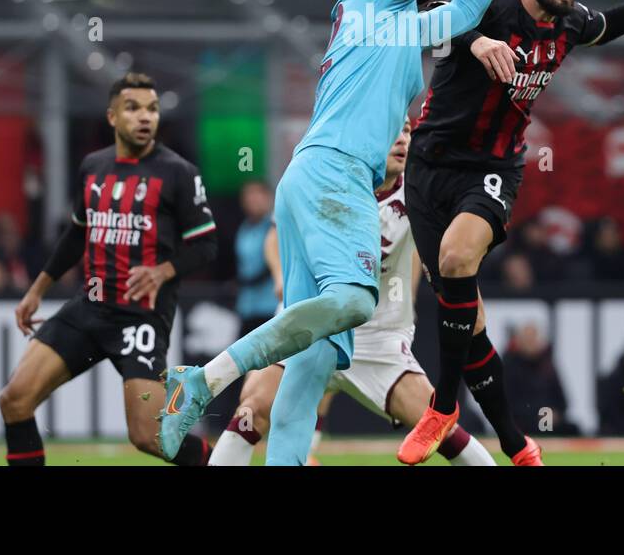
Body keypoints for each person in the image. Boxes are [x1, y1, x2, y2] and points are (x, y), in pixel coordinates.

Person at [158, 0, 549, 466]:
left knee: (310, 365)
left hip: (311, 176)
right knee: (356, 302)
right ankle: (205, 379)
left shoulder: (390, 24)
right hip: (337, 174)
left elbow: (466, 13)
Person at [400, 0, 624, 465]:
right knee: (468, 323)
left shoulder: (571, 23)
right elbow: (425, 4)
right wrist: (475, 40)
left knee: (456, 258)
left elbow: (609, 26)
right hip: (427, 169)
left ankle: (443, 405)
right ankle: (517, 445)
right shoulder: (489, 5)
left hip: (493, 168)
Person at [208, 122, 494, 466]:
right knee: (251, 410)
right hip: (312, 326)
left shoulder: (421, 192)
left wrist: (427, 295)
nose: (402, 140)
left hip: (377, 338)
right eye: (391, 130)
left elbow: (433, 253)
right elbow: (275, 232)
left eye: (406, 131)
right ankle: (304, 450)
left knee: (440, 428)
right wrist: (282, 276)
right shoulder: (326, 178)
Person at [0, 73, 218, 466]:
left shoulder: (179, 172)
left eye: (152, 109)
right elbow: (75, 235)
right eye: (133, 108)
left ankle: (224, 463)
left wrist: (162, 271)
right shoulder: (93, 166)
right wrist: (36, 290)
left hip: (140, 317)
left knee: (150, 437)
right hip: (89, 308)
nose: (145, 117)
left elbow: (206, 246)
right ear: (112, 116)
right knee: (14, 399)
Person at [233, 180, 278, 339]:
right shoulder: (243, 227)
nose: (252, 201)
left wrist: (249, 280)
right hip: (247, 306)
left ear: (269, 198)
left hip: (270, 306)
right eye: (248, 197)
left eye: (257, 196)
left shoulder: (274, 226)